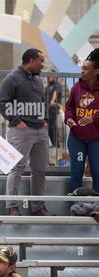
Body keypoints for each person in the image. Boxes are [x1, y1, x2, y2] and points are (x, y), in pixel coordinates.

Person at [0, 48, 51, 216]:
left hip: (40, 132)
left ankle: (38, 207)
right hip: (21, 132)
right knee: (17, 168)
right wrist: (16, 121)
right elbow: (1, 102)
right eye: (41, 61)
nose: (43, 65)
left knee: (40, 170)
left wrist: (46, 120)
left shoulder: (38, 81)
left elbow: (43, 102)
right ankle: (12, 207)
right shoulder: (12, 78)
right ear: (32, 60)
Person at [65, 48, 99, 193]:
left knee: (97, 173)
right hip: (76, 138)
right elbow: (68, 107)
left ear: (96, 71)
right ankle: (75, 206)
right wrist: (69, 119)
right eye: (82, 68)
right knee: (76, 173)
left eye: (86, 69)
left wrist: (93, 118)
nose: (82, 71)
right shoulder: (76, 87)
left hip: (96, 140)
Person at [45, 71, 62, 147]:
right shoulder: (48, 87)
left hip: (53, 108)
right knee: (48, 127)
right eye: (49, 76)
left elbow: (56, 93)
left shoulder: (57, 85)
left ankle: (56, 144)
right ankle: (54, 144)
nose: (50, 78)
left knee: (52, 126)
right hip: (47, 109)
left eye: (51, 76)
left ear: (55, 77)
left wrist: (52, 100)